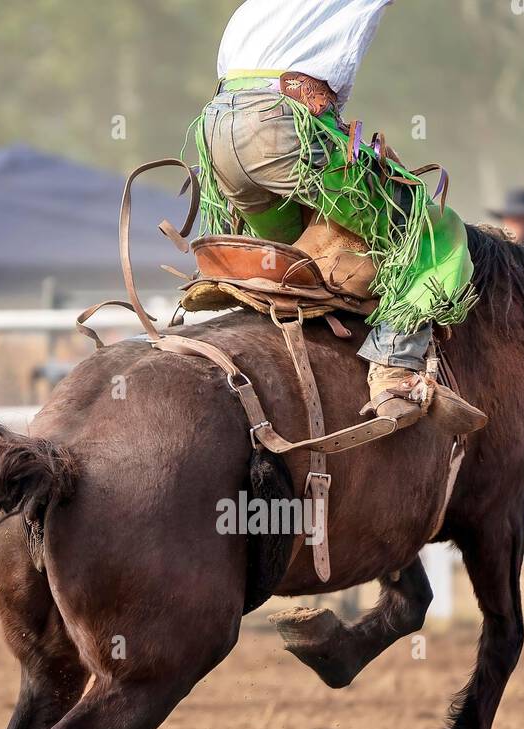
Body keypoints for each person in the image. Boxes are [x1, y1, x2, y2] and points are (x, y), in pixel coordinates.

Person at [191, 0, 485, 433]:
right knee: (428, 225)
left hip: (217, 129)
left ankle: (252, 308)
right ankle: (395, 367)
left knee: (305, 248)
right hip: (282, 122)